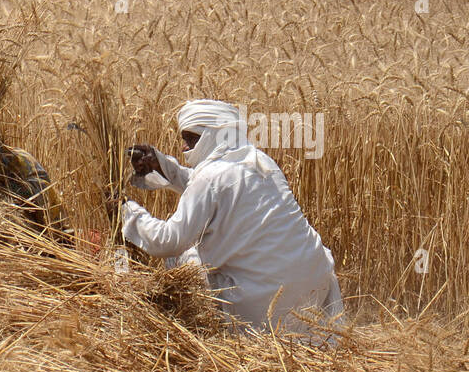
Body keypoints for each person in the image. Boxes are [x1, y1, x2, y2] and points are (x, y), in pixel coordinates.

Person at [113, 99, 342, 334]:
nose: (183, 148)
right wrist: (161, 166)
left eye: (191, 139)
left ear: (214, 135)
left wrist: (127, 212)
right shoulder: (259, 161)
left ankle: (193, 331)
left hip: (266, 301)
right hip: (314, 283)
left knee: (182, 257)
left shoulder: (211, 178)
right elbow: (214, 189)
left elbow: (167, 241)